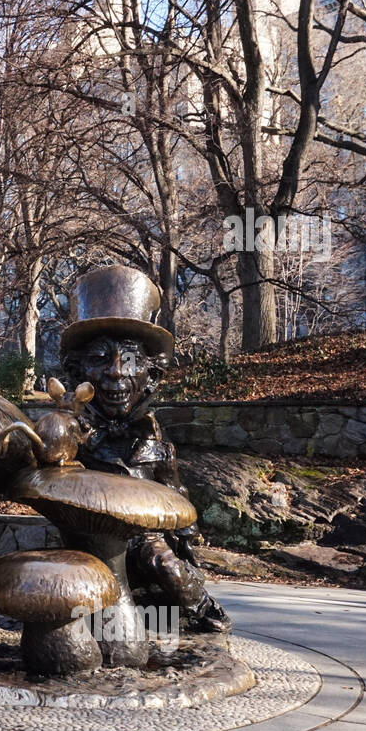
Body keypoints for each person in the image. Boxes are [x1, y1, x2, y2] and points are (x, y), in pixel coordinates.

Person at [59, 265, 232, 633]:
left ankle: (197, 607)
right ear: (78, 373)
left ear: (150, 375)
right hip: (88, 543)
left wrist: (185, 566)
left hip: (144, 547)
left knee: (165, 566)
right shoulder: (71, 433)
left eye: (131, 360)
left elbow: (177, 509)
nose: (117, 373)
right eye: (100, 358)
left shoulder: (156, 441)